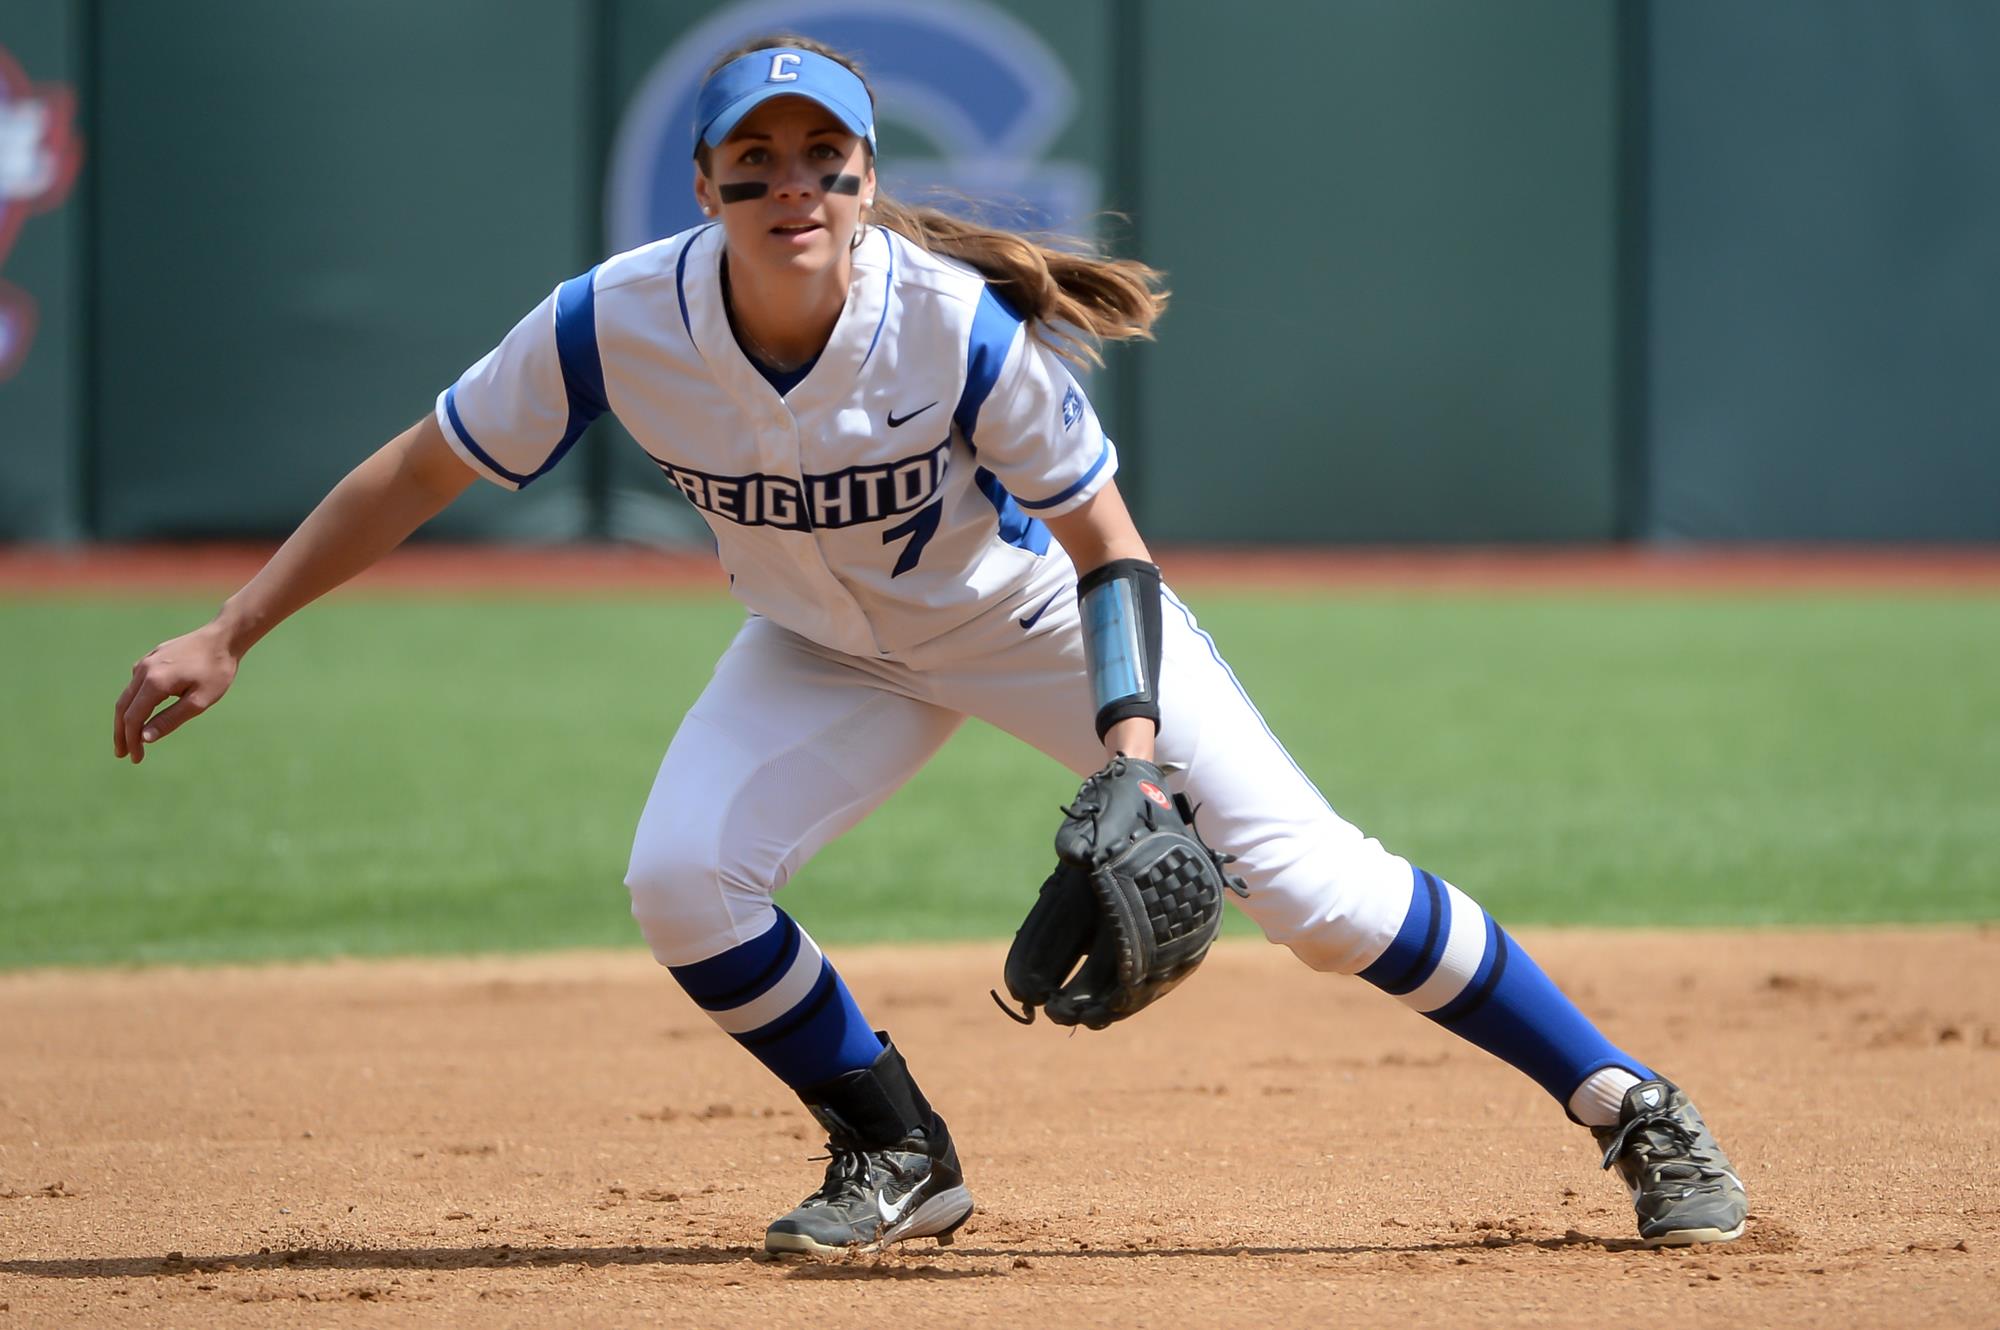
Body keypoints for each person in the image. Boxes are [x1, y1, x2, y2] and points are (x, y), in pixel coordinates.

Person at [113, 35, 1747, 1256]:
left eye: (823, 156)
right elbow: (420, 469)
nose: (791, 184)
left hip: (1026, 622)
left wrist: (1132, 752)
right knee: (682, 876)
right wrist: (235, 625)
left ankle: (1634, 1106)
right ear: (704, 185)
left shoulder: (948, 326)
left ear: (863, 179)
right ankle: (895, 1149)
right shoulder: (614, 322)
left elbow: (1111, 548)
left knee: (1316, 895)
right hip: (820, 646)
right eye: (755, 157)